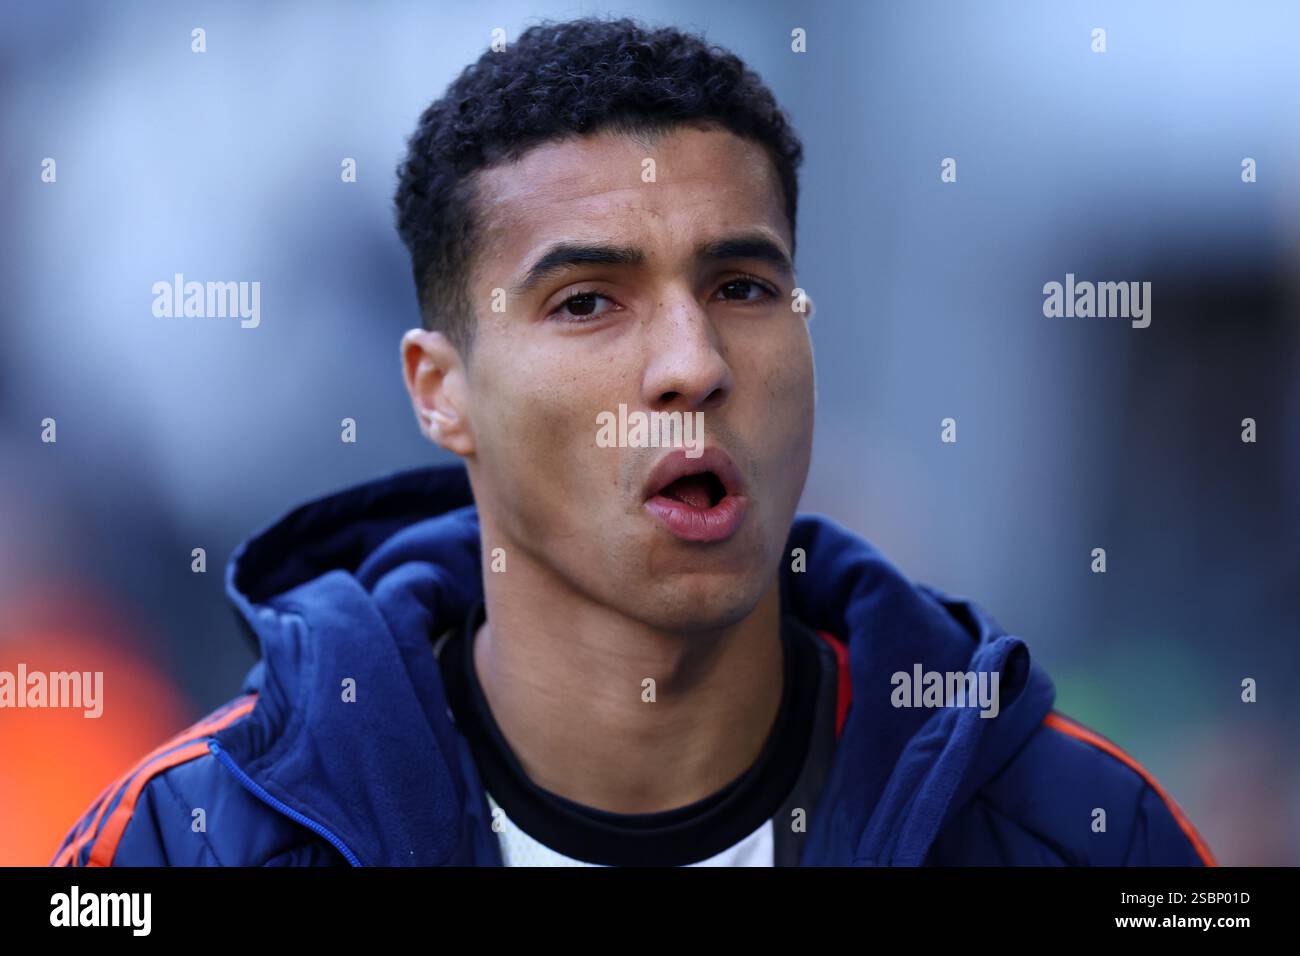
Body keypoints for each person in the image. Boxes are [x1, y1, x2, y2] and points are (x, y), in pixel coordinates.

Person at [52, 16, 1214, 867]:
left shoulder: (1078, 833)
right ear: (439, 390)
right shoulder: (188, 841)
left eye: (745, 286)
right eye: (588, 302)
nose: (693, 362)